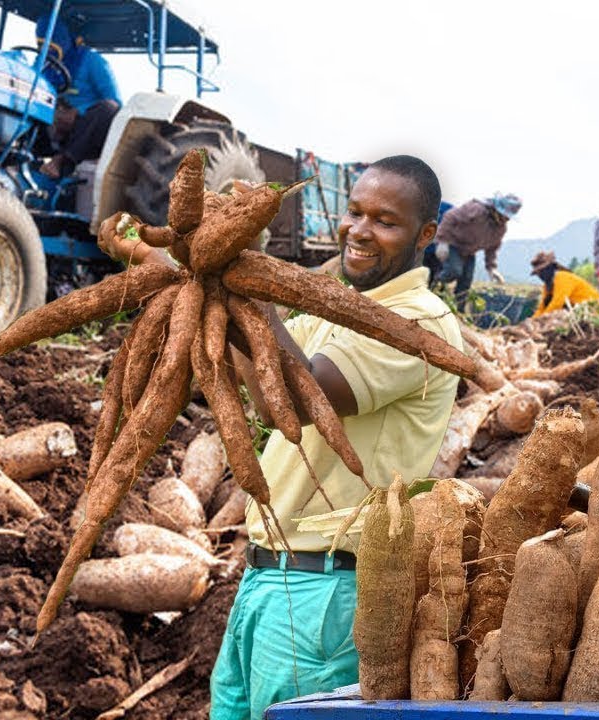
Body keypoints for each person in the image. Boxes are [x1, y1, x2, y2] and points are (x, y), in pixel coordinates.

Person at [92, 156, 461, 719]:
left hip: (327, 595)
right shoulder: (341, 306)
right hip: (268, 575)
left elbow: (287, 398)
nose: (360, 231)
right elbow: (255, 356)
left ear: (425, 234)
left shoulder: (416, 323)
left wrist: (238, 275)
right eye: (356, 213)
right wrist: (164, 260)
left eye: (385, 221)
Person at [34, 16, 122, 179]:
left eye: (53, 45)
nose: (48, 51)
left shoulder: (92, 61)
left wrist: (77, 112)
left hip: (86, 125)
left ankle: (60, 161)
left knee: (108, 109)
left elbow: (115, 101)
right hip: (52, 119)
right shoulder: (42, 62)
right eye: (42, 45)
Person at [431, 192, 521, 310]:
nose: (506, 219)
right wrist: (442, 241)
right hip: (453, 243)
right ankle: (432, 291)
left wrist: (491, 268)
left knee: (466, 281)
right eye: (505, 215)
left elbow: (492, 248)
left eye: (508, 217)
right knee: (454, 270)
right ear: (497, 209)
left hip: (468, 252)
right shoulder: (476, 210)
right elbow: (450, 217)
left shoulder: (500, 229)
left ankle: (459, 311)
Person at [528, 251, 599, 317]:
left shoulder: (562, 277)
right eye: (537, 273)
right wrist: (532, 320)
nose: (539, 275)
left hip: (594, 310)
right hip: (576, 311)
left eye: (540, 271)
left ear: (548, 268)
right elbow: (542, 307)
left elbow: (557, 304)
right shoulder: (547, 285)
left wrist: (541, 319)